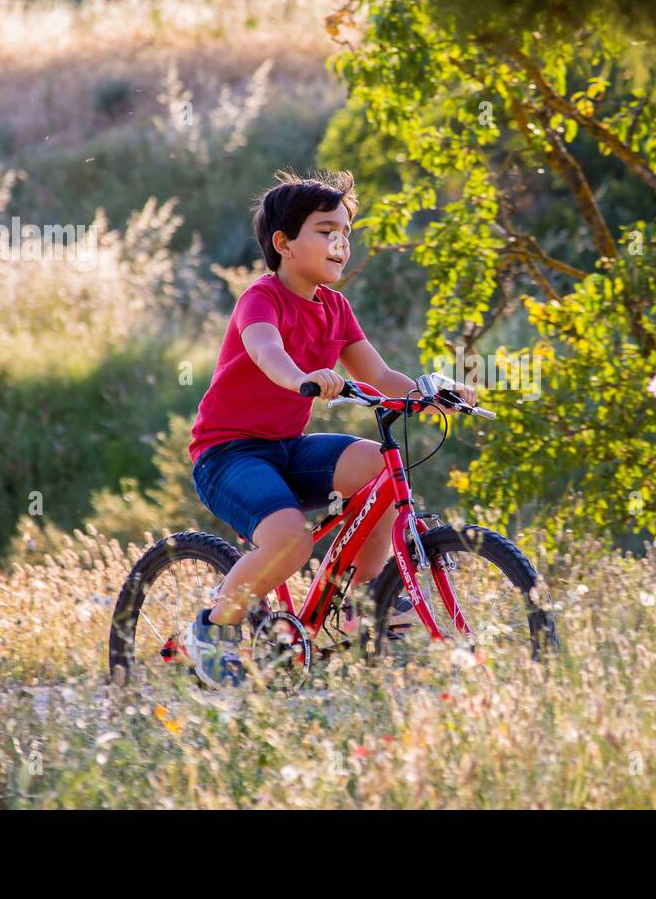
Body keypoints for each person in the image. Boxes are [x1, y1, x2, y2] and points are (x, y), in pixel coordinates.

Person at [182, 169, 476, 687]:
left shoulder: (336, 308)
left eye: (345, 231)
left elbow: (381, 377)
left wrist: (434, 395)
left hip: (287, 447)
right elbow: (266, 350)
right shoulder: (263, 298)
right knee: (291, 541)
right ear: (284, 243)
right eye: (325, 230)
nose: (340, 242)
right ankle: (213, 628)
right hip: (228, 454)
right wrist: (302, 378)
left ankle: (351, 605)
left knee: (381, 471)